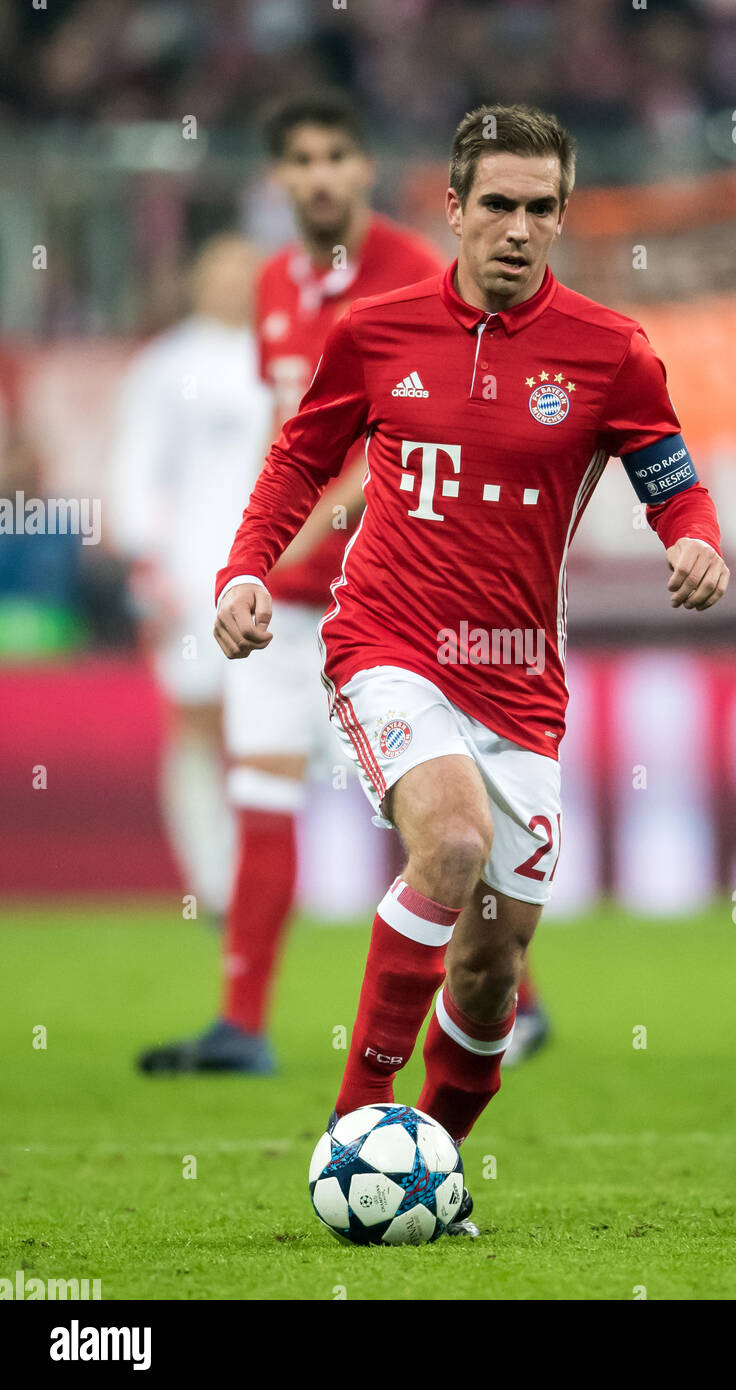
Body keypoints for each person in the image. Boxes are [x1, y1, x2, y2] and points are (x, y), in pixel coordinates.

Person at [213, 104, 729, 1232]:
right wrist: (244, 569)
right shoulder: (378, 330)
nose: (517, 227)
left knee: (492, 974)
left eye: (541, 207)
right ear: (451, 207)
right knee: (450, 842)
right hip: (388, 644)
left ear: (563, 215)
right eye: (496, 203)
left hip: (520, 685)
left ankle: (426, 1169)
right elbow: (300, 454)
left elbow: (671, 479)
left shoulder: (612, 352)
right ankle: (355, 1121)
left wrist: (694, 535)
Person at [138, 91, 444, 1074]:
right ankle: (242, 1025)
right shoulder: (274, 284)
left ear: (365, 168)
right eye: (300, 159)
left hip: (383, 591)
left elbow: (404, 438)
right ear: (280, 177)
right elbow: (295, 440)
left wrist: (306, 532)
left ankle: (507, 997)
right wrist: (257, 558)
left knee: (423, 805)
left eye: (336, 155)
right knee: (258, 788)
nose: (318, 174)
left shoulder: (414, 277)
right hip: (285, 595)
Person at [109, 234, 270, 924]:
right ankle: (213, 881)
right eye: (222, 271)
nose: (236, 285)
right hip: (195, 571)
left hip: (282, 571)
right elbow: (137, 467)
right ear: (198, 281)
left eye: (247, 273)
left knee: (276, 725)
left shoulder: (290, 358)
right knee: (199, 720)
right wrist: (147, 560)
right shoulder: (166, 366)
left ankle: (274, 870)